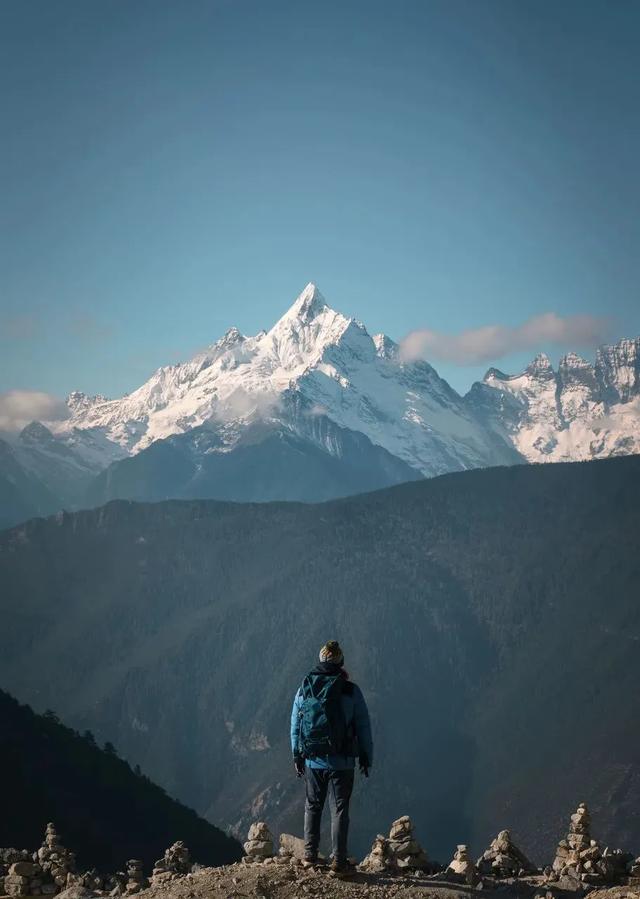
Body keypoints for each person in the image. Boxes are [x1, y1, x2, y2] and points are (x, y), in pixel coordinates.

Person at [290, 640, 373, 874]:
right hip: (342, 761)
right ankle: (339, 861)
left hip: (313, 759)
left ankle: (309, 856)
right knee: (339, 809)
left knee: (312, 805)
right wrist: (366, 756)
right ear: (340, 662)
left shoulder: (305, 687)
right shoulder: (350, 690)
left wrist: (297, 754)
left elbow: (296, 724)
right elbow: (363, 726)